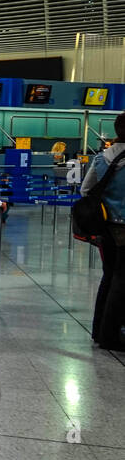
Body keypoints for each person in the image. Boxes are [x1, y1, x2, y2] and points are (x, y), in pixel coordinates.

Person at [83, 112, 125, 351]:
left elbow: (85, 190)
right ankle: (112, 335)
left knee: (109, 276)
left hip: (105, 228)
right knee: (121, 280)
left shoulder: (102, 158)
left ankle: (99, 330)